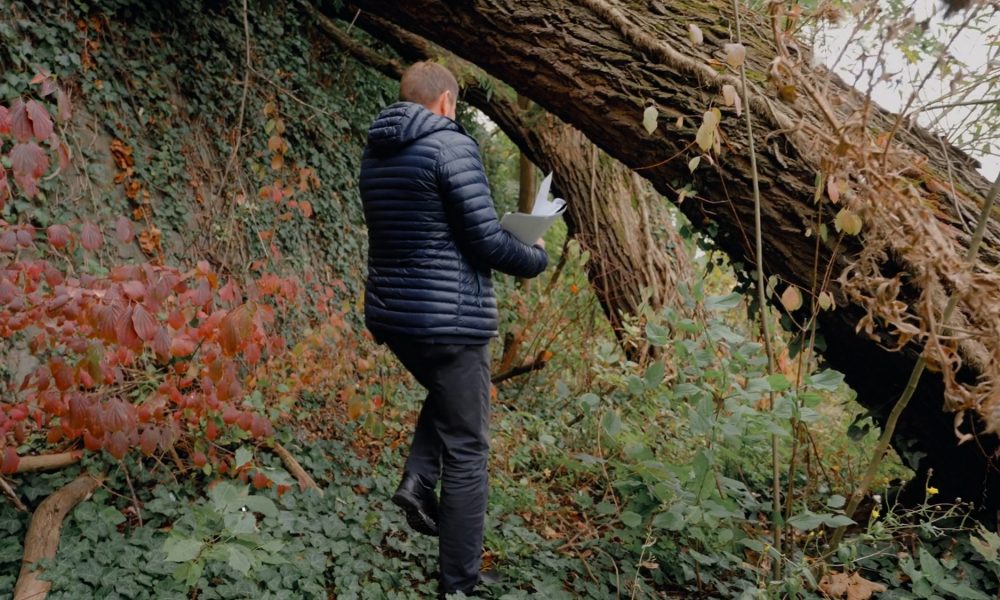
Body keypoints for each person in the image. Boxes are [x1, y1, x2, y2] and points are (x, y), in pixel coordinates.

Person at [358, 61, 548, 597]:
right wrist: (534, 255)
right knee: (468, 448)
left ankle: (419, 479)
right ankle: (458, 586)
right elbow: (486, 240)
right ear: (445, 101)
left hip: (396, 318)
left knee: (447, 391)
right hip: (450, 321)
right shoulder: (451, 144)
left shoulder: (375, 153)